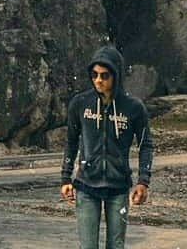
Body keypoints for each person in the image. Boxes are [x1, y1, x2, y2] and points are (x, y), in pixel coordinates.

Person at [60, 44, 153, 249]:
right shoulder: (80, 103)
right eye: (94, 75)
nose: (98, 80)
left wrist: (143, 181)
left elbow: (145, 144)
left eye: (104, 75)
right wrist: (66, 178)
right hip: (85, 186)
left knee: (116, 246)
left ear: (116, 75)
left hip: (119, 187)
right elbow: (71, 141)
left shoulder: (134, 108)